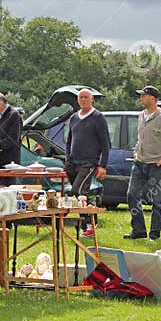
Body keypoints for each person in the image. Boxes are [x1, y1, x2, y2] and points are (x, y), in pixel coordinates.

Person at [124, 86, 161, 241]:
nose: (141, 98)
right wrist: (136, 152)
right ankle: (138, 230)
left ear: (153, 98)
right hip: (139, 163)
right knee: (132, 195)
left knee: (156, 201)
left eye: (143, 95)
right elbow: (140, 138)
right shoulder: (141, 115)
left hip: (157, 165)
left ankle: (154, 235)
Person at [65, 88, 110, 237]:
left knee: (78, 191)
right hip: (73, 162)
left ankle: (88, 225)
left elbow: (105, 143)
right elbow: (69, 140)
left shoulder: (98, 118)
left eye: (86, 97)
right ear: (78, 100)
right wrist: (67, 159)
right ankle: (90, 223)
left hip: (89, 162)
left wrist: (102, 165)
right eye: (81, 97)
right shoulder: (73, 118)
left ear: (92, 100)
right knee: (81, 195)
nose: (83, 100)